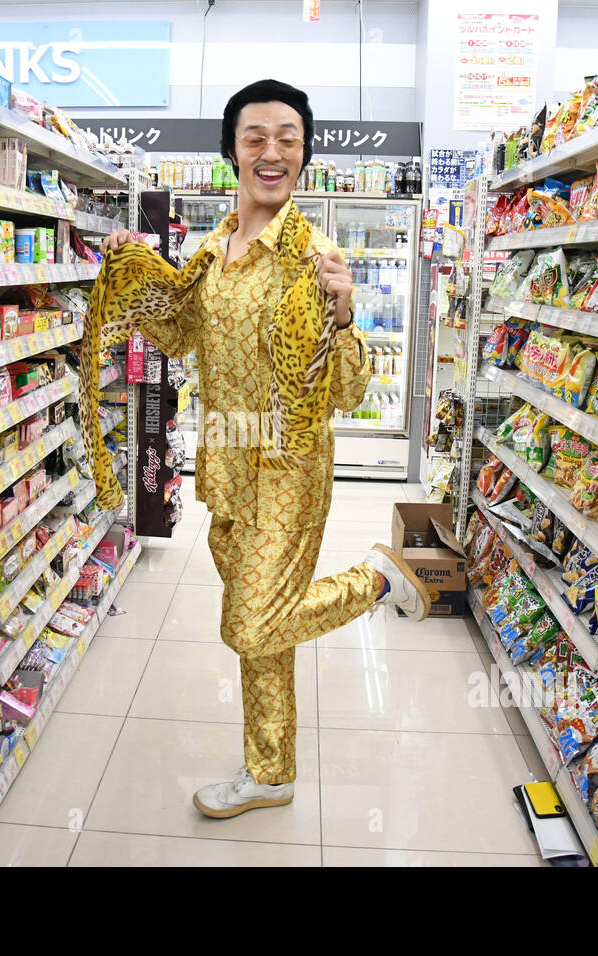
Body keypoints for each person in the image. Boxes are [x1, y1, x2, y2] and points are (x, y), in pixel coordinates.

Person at [98, 79, 430, 819]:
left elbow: (346, 391)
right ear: (231, 153)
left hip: (288, 464)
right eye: (256, 137)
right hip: (223, 459)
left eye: (288, 138)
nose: (272, 151)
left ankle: (376, 580)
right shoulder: (216, 248)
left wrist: (345, 315)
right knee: (264, 635)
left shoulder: (314, 255)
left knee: (250, 621)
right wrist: (130, 275)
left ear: (304, 154)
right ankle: (270, 772)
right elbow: (182, 333)